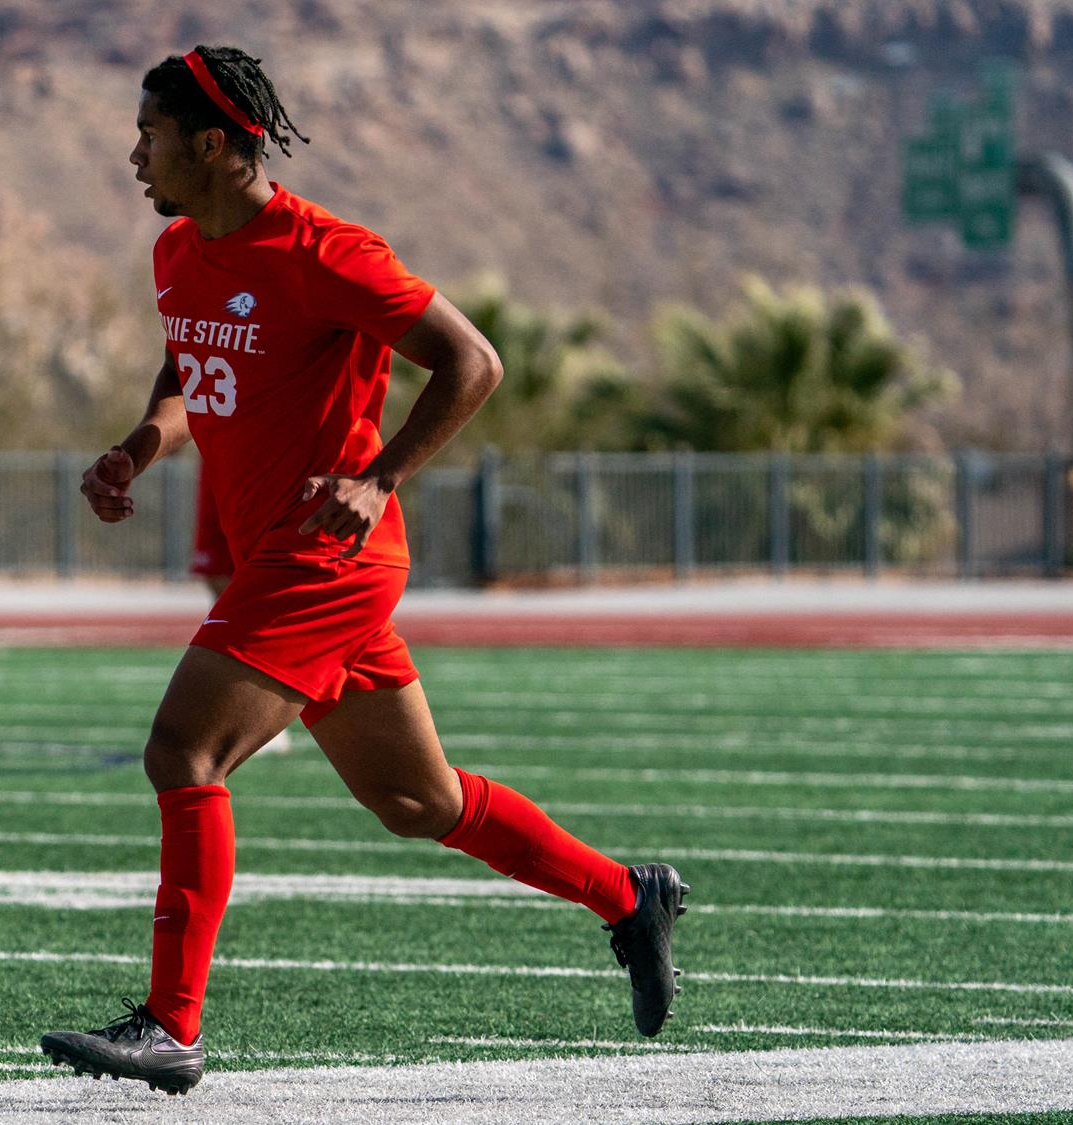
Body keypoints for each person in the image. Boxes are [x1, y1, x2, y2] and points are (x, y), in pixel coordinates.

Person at [38, 47, 688, 1096]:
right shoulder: (176, 249)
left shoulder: (325, 252)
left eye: (149, 134)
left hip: (327, 561)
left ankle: (171, 1026)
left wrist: (380, 478)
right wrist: (139, 446)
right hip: (287, 561)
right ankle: (628, 896)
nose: (134, 154)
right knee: (420, 802)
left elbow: (474, 362)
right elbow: (190, 367)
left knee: (182, 751)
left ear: (212, 144)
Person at [191, 476, 290, 754]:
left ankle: (263, 714)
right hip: (218, 466)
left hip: (265, 471)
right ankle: (250, 711)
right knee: (218, 576)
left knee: (260, 583)